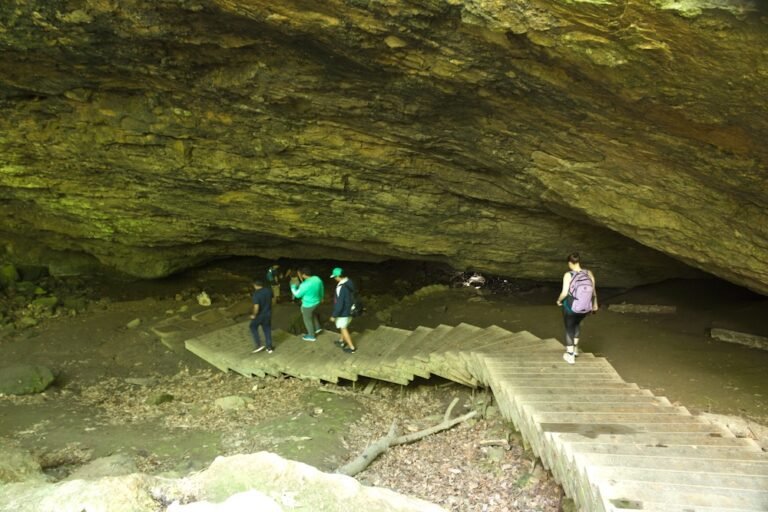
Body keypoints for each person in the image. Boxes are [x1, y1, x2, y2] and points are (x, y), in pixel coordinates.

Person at [556, 252, 598, 364]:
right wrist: (595, 305)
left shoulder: (568, 275)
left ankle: (570, 355)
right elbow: (593, 292)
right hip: (585, 307)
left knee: (569, 328)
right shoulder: (589, 273)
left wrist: (559, 301)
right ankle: (575, 350)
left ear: (570, 263)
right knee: (577, 325)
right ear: (579, 261)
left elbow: (564, 293)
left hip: (571, 307)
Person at [290, 266, 324, 341]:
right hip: (317, 301)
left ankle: (311, 336)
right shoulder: (317, 279)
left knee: (307, 319)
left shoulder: (304, 285)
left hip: (308, 305)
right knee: (312, 313)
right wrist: (322, 297)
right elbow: (321, 288)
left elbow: (297, 295)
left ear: (304, 275)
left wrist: (293, 288)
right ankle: (317, 328)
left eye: (301, 274)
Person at [329, 267, 357, 354]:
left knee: (343, 328)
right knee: (343, 326)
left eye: (335, 277)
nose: (334, 279)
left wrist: (334, 315)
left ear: (338, 276)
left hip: (343, 312)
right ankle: (342, 341)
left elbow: (339, 304)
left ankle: (352, 348)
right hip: (351, 309)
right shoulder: (349, 281)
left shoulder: (340, 287)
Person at [249, 278, 274, 353]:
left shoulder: (256, 294)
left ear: (255, 285)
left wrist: (254, 315)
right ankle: (269, 348)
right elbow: (273, 300)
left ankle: (258, 345)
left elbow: (256, 306)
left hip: (260, 315)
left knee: (252, 327)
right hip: (268, 313)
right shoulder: (268, 290)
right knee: (267, 329)